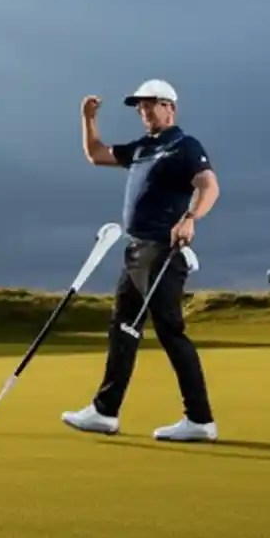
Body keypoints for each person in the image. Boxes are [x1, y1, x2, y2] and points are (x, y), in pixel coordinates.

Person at [61, 78, 222, 442]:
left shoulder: (184, 145)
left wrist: (190, 218)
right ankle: (105, 411)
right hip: (137, 251)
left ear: (170, 107)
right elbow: (97, 154)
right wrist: (88, 119)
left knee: (169, 331)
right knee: (123, 327)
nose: (144, 111)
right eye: (140, 106)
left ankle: (199, 419)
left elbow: (209, 185)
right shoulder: (141, 148)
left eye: (151, 104)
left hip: (163, 251)